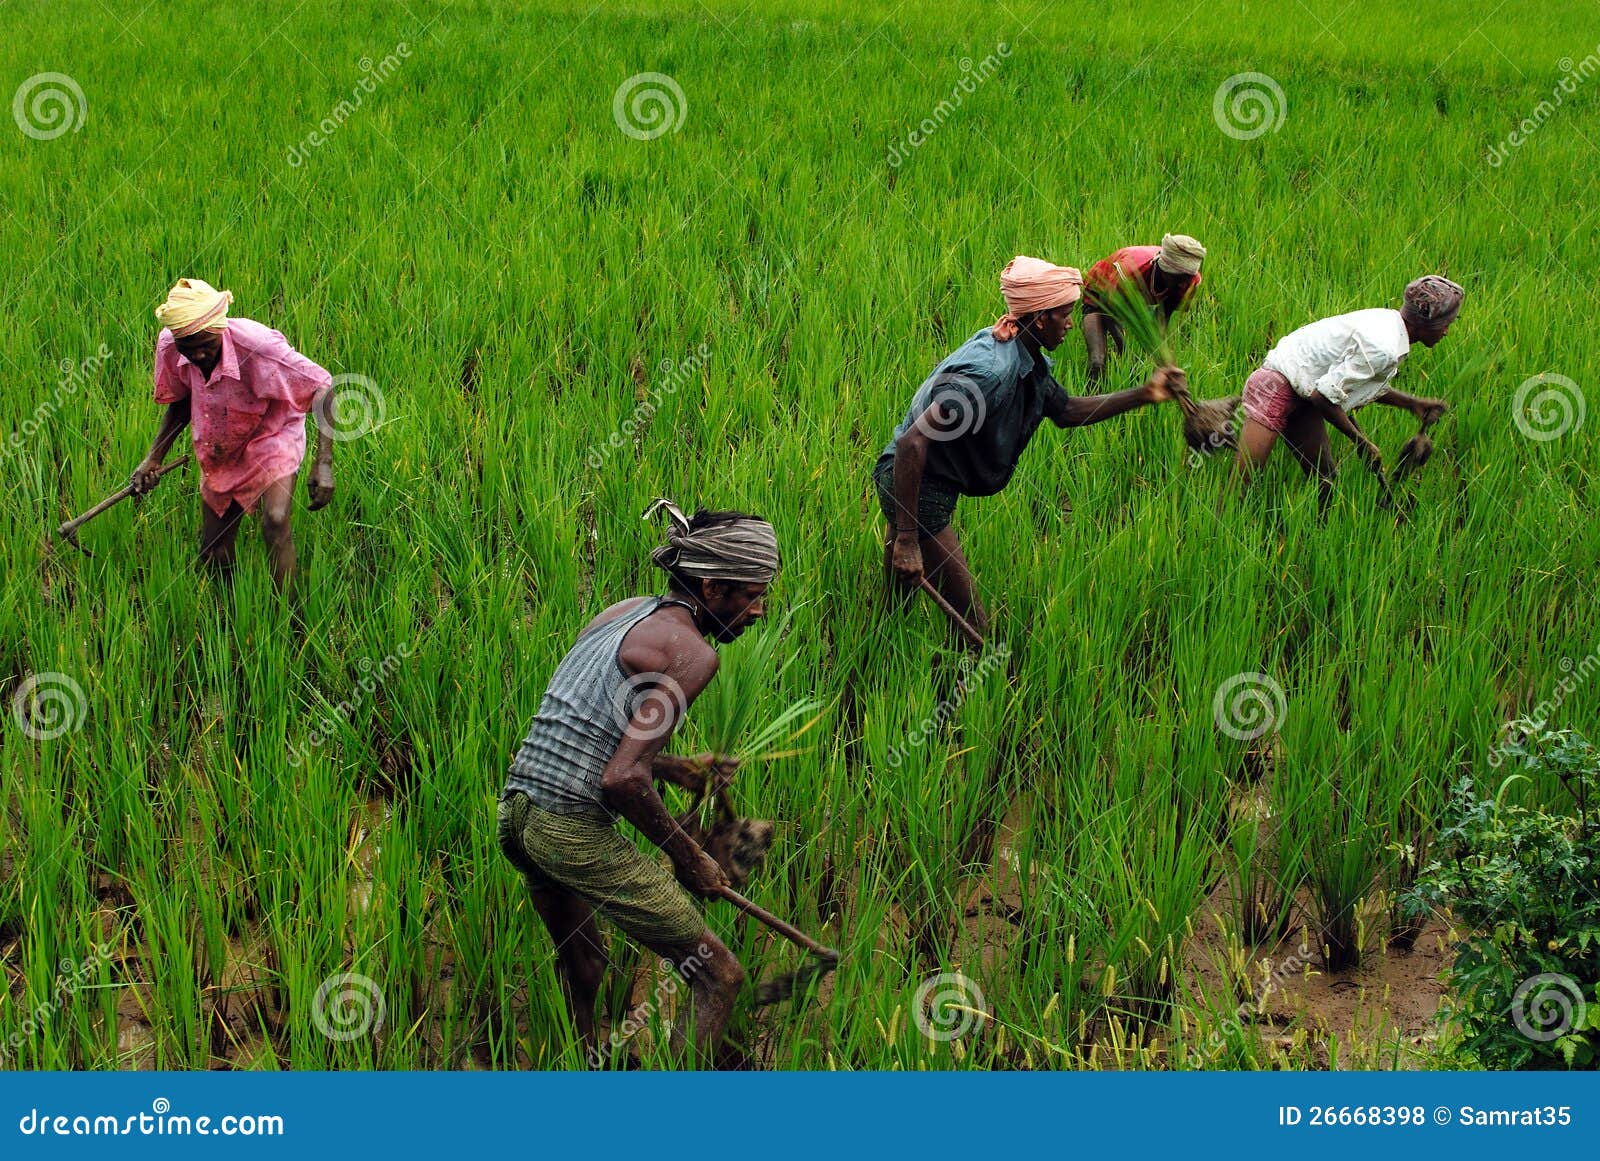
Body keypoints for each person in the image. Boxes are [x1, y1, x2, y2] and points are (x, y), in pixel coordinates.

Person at [496, 500, 780, 1067]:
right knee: (719, 977)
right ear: (710, 586)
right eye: (751, 595)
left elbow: (590, 729)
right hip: (569, 829)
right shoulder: (695, 655)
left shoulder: (623, 612)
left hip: (518, 812)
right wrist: (691, 856)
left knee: (586, 963)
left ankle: (585, 1064)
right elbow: (622, 778)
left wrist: (676, 767)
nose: (759, 611)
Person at [875, 256, 1183, 640]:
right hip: (919, 488)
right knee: (973, 624)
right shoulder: (989, 372)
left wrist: (1147, 393)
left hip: (916, 480)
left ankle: (881, 643)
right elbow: (911, 443)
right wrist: (907, 536)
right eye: (1064, 315)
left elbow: (1068, 411)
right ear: (1040, 319)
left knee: (896, 600)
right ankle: (958, 682)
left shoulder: (1025, 356)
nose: (1072, 323)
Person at [128, 278, 335, 591]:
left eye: (205, 347)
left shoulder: (259, 347)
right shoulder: (170, 346)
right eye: (189, 348)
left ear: (220, 329)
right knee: (214, 551)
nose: (197, 357)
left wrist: (324, 465)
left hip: (272, 434)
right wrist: (153, 458)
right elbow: (182, 402)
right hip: (221, 440)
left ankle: (292, 621)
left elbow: (322, 388)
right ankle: (228, 615)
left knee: (276, 522)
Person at [1234, 275, 1461, 501]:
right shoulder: (1384, 347)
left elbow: (1353, 384)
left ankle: (1317, 530)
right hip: (1274, 389)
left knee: (1325, 479)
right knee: (1241, 487)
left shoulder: (1388, 323)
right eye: (1445, 325)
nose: (1446, 332)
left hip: (1303, 395)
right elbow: (1323, 396)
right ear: (1425, 324)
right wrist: (1362, 443)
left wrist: (1412, 404)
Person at [1080, 233, 1206, 384]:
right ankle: (1090, 400)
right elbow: (1108, 309)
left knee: (1154, 365)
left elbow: (1162, 319)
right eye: (1178, 279)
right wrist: (1125, 352)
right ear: (1163, 269)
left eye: (1186, 279)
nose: (1182, 285)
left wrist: (1162, 358)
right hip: (1100, 293)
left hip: (1135, 300)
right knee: (1097, 361)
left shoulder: (1189, 281)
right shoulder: (1131, 271)